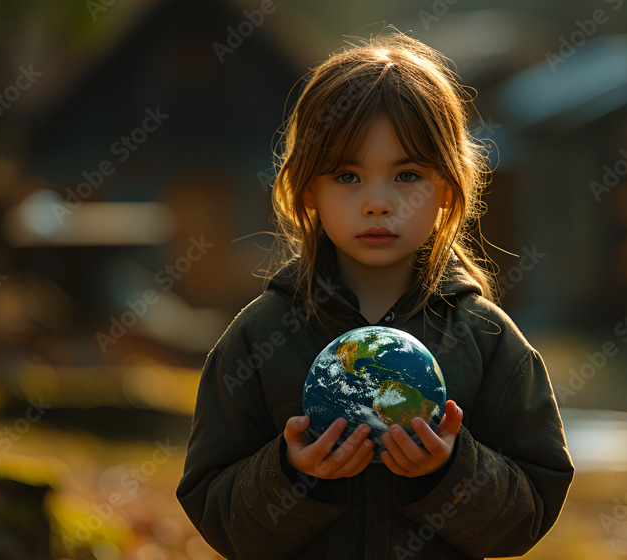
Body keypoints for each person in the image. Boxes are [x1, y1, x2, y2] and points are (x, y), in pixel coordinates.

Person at [176, 28, 574, 559]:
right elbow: (214, 511)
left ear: (448, 188)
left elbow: (530, 512)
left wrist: (450, 472)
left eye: (406, 174)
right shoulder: (260, 336)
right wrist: (292, 475)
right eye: (347, 175)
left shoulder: (485, 337)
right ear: (307, 189)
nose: (378, 203)